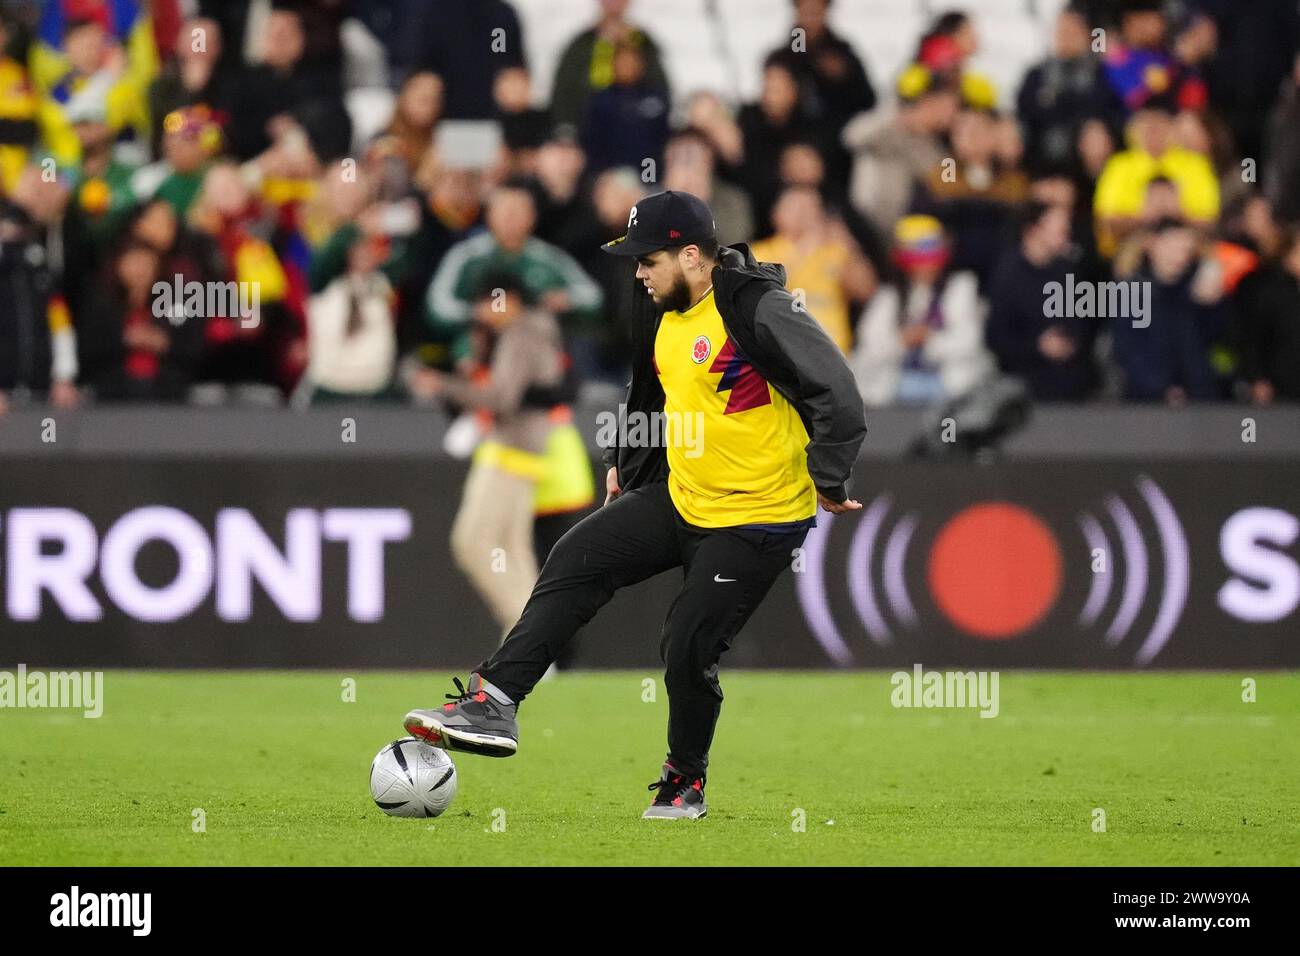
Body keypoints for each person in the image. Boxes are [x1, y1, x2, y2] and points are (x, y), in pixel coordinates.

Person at [401, 190, 867, 820]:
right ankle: (495, 701)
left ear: (695, 257)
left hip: (758, 518)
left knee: (686, 645)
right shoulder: (660, 308)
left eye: (649, 260)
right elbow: (647, 390)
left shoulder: (758, 307)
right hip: (682, 497)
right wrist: (629, 463)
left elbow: (835, 386)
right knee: (577, 555)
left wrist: (830, 477)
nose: (639, 273)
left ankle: (685, 781)